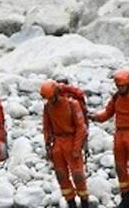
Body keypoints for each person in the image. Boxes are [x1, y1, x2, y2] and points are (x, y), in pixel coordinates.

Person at [92, 69, 129, 208]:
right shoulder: (116, 98)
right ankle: (125, 198)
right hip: (119, 136)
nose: (120, 88)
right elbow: (107, 113)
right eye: (118, 86)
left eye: (122, 86)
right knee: (120, 168)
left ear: (128, 84)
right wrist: (94, 117)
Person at [41, 80, 89, 208]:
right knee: (61, 175)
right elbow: (46, 127)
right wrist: (48, 145)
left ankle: (85, 202)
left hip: (71, 141)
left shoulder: (72, 105)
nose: (50, 101)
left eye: (51, 98)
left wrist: (77, 147)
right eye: (47, 99)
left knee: (78, 175)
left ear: (57, 93)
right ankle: (71, 203)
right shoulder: (48, 107)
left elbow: (81, 128)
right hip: (57, 143)